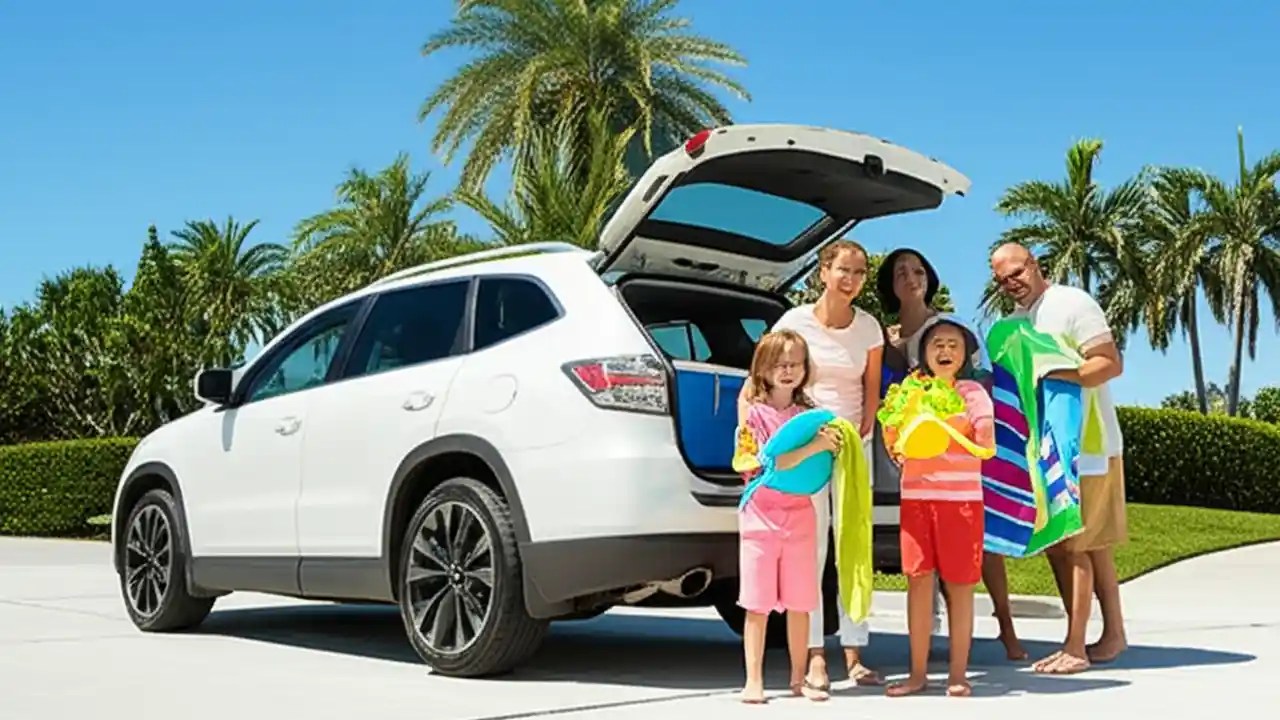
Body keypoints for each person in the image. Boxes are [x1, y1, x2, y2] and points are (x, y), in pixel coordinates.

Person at [742, 238, 885, 691]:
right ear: (823, 272)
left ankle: (855, 651)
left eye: (859, 273)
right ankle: (817, 656)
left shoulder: (869, 328)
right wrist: (750, 434)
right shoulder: (794, 321)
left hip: (849, 446)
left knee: (852, 542)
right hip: (804, 444)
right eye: (843, 270)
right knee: (813, 549)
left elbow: (872, 390)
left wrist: (858, 436)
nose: (851, 280)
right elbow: (761, 376)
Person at [876, 248, 1028, 662]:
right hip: (916, 461)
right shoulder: (888, 337)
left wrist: (966, 427)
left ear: (930, 277)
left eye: (919, 270)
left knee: (983, 545)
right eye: (901, 272)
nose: (911, 277)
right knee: (924, 562)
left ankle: (1008, 631)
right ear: (889, 285)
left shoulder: (950, 328)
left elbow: (979, 378)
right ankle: (928, 651)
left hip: (961, 451)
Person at [989, 242, 1128, 675]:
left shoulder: (1071, 303)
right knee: (1072, 543)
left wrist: (1052, 372)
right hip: (1041, 449)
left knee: (1076, 543)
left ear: (1035, 265)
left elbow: (1108, 363)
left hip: (1088, 446)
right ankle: (1109, 635)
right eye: (1001, 279)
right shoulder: (1011, 323)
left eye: (1017, 272)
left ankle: (1076, 646)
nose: (1011, 283)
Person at [881, 318, 994, 697]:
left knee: (961, 585)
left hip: (961, 504)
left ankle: (958, 674)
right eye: (937, 345)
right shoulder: (909, 391)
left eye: (953, 345)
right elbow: (892, 430)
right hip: (915, 501)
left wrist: (972, 432)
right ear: (924, 353)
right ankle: (917, 674)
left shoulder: (972, 392)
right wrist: (895, 445)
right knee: (917, 581)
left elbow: (984, 433)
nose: (945, 351)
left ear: (964, 355)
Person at [731, 329, 837, 704]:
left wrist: (825, 445)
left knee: (800, 600)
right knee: (757, 603)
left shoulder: (810, 417)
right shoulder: (754, 416)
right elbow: (769, 462)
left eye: (795, 363)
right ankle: (753, 679)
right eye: (778, 363)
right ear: (762, 369)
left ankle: (798, 677)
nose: (787, 370)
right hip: (760, 514)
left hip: (798, 514)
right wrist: (817, 446)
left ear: (806, 369)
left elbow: (820, 462)